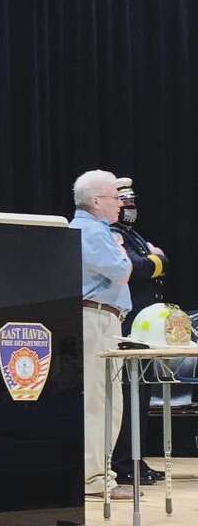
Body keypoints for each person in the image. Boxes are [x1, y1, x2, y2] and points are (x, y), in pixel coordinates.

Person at [69, 170, 134, 502]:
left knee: (107, 399)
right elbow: (122, 271)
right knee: (101, 401)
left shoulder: (91, 229)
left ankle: (98, 473)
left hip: (100, 317)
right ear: (96, 201)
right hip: (94, 317)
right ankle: (95, 477)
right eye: (114, 198)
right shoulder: (92, 231)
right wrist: (122, 249)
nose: (121, 204)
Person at [110, 176, 167, 486]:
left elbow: (159, 261)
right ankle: (122, 462)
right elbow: (136, 268)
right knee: (126, 396)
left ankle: (136, 458)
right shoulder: (111, 234)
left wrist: (154, 260)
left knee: (141, 394)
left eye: (133, 202)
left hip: (141, 328)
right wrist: (154, 259)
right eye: (124, 202)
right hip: (125, 325)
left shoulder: (133, 235)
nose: (130, 207)